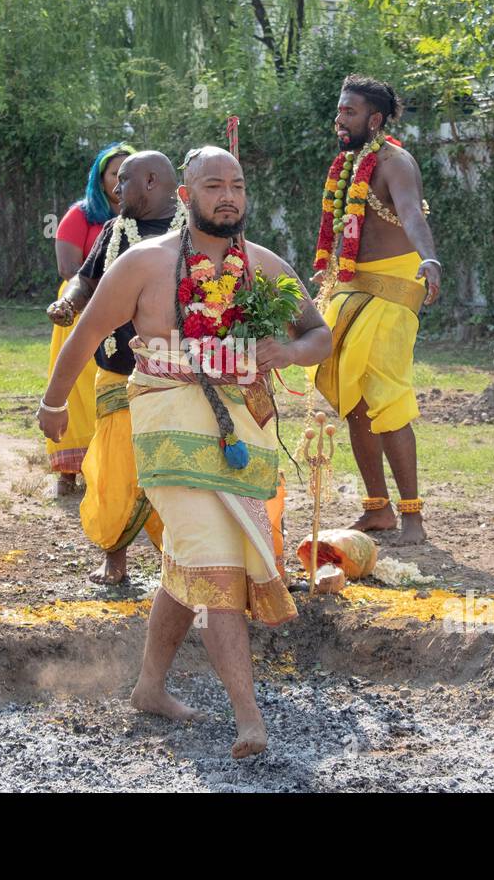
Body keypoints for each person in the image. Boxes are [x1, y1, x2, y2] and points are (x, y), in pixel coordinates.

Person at [38, 147, 331, 758]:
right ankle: (249, 720)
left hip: (239, 436)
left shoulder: (264, 266)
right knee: (219, 564)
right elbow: (88, 331)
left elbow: (319, 331)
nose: (229, 196)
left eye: (239, 186)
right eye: (214, 185)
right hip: (167, 426)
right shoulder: (145, 263)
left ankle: (149, 686)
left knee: (188, 558)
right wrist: (55, 404)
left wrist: (291, 353)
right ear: (184, 196)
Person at [306, 74, 441, 545]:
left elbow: (410, 213)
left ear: (375, 119)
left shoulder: (394, 162)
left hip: (394, 288)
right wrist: (328, 271)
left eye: (349, 112)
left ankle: (413, 516)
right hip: (351, 286)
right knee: (353, 399)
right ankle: (377, 509)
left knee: (387, 397)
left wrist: (429, 257)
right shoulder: (348, 164)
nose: (339, 120)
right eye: (339, 111)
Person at [47, 151, 185, 584]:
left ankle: (183, 560)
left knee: (181, 467)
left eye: (123, 181)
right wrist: (69, 301)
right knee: (115, 468)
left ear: (149, 181)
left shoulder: (195, 232)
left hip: (179, 373)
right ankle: (115, 556)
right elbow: (86, 280)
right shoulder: (114, 230)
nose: (115, 189)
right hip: (120, 370)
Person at [45, 142, 135, 494]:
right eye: (115, 174)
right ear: (101, 179)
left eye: (127, 175)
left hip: (125, 315)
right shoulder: (81, 215)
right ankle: (69, 470)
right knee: (78, 390)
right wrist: (100, 297)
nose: (120, 183)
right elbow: (70, 270)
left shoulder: (151, 219)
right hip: (81, 309)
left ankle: (112, 465)